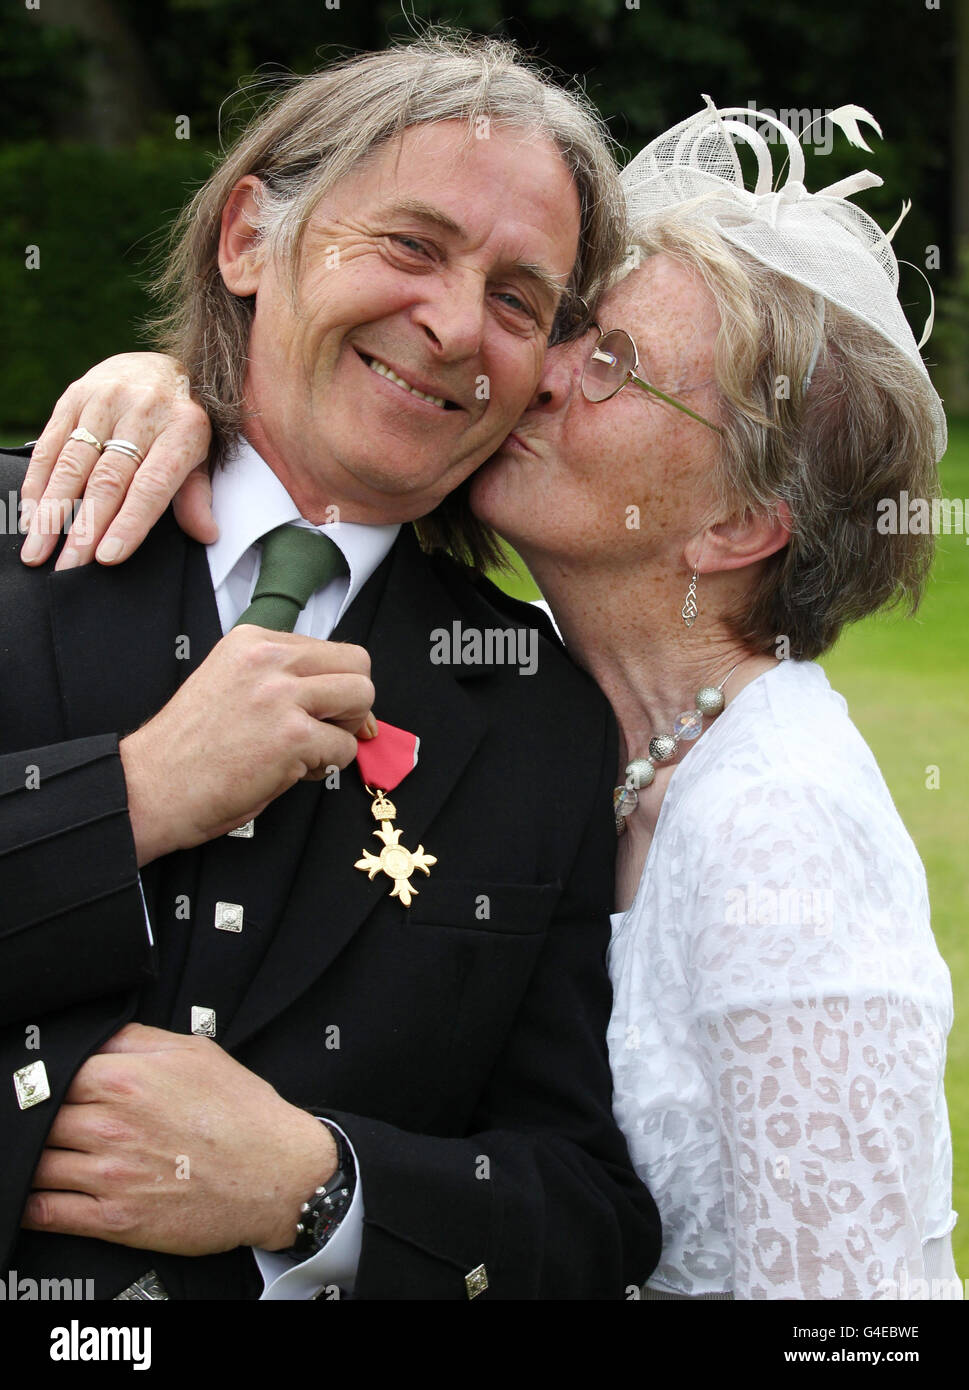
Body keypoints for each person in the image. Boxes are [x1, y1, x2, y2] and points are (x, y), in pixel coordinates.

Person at [50, 101, 959, 1301]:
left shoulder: (778, 818)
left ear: (737, 526)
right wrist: (181, 383)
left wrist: (314, 1183)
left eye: (615, 366)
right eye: (574, 331)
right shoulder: (570, 710)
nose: (528, 372)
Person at [0, 35, 663, 1301]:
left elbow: (584, 1214)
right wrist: (129, 799)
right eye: (412, 245)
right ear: (248, 238)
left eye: (520, 300)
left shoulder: (540, 718)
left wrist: (320, 1186)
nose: (457, 323)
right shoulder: (15, 545)